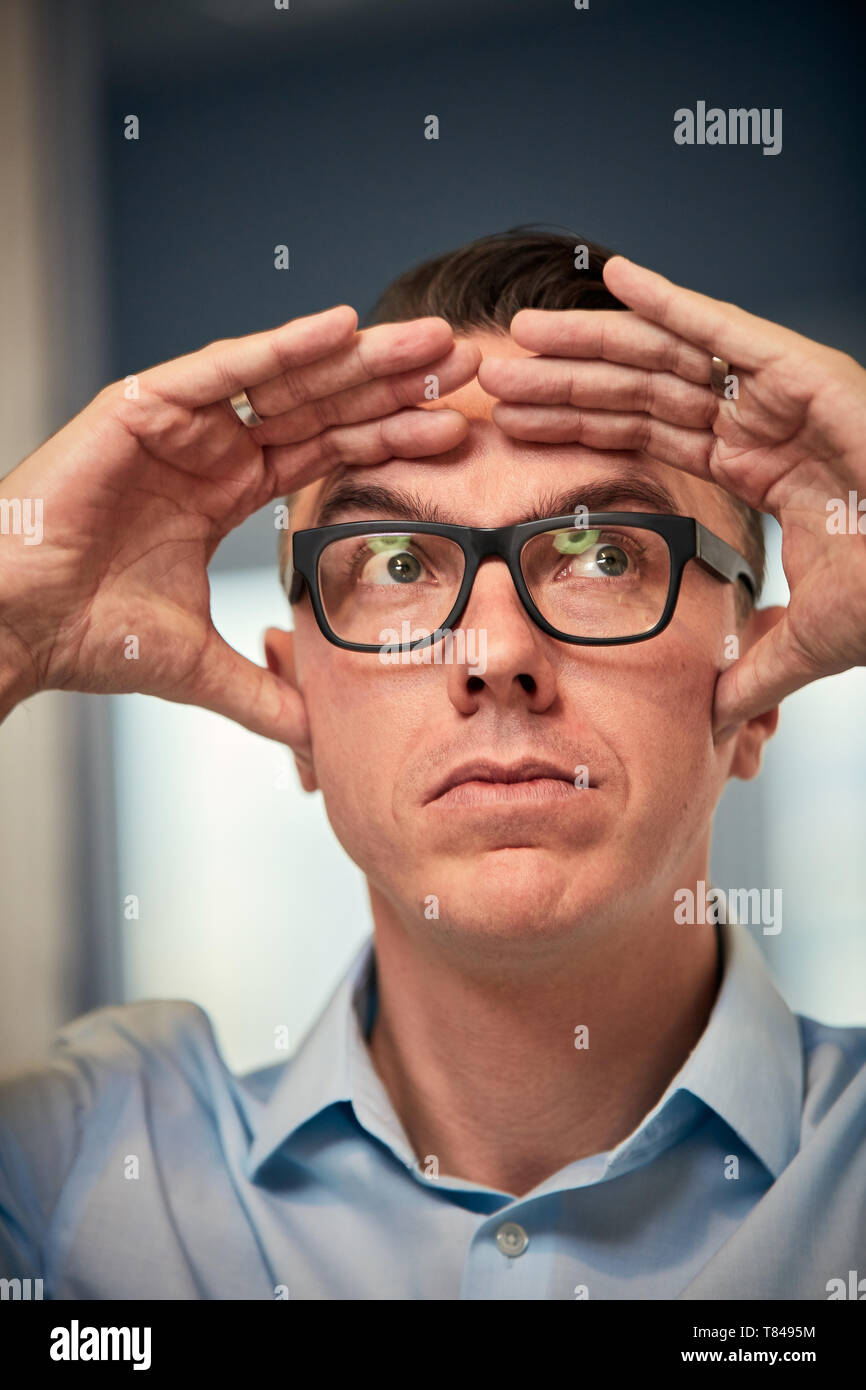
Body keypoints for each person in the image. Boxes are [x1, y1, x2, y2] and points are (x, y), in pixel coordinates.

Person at [0, 229, 864, 1300]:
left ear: (760, 691)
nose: (497, 655)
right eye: (397, 563)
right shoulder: (65, 1179)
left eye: (603, 554)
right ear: (296, 700)